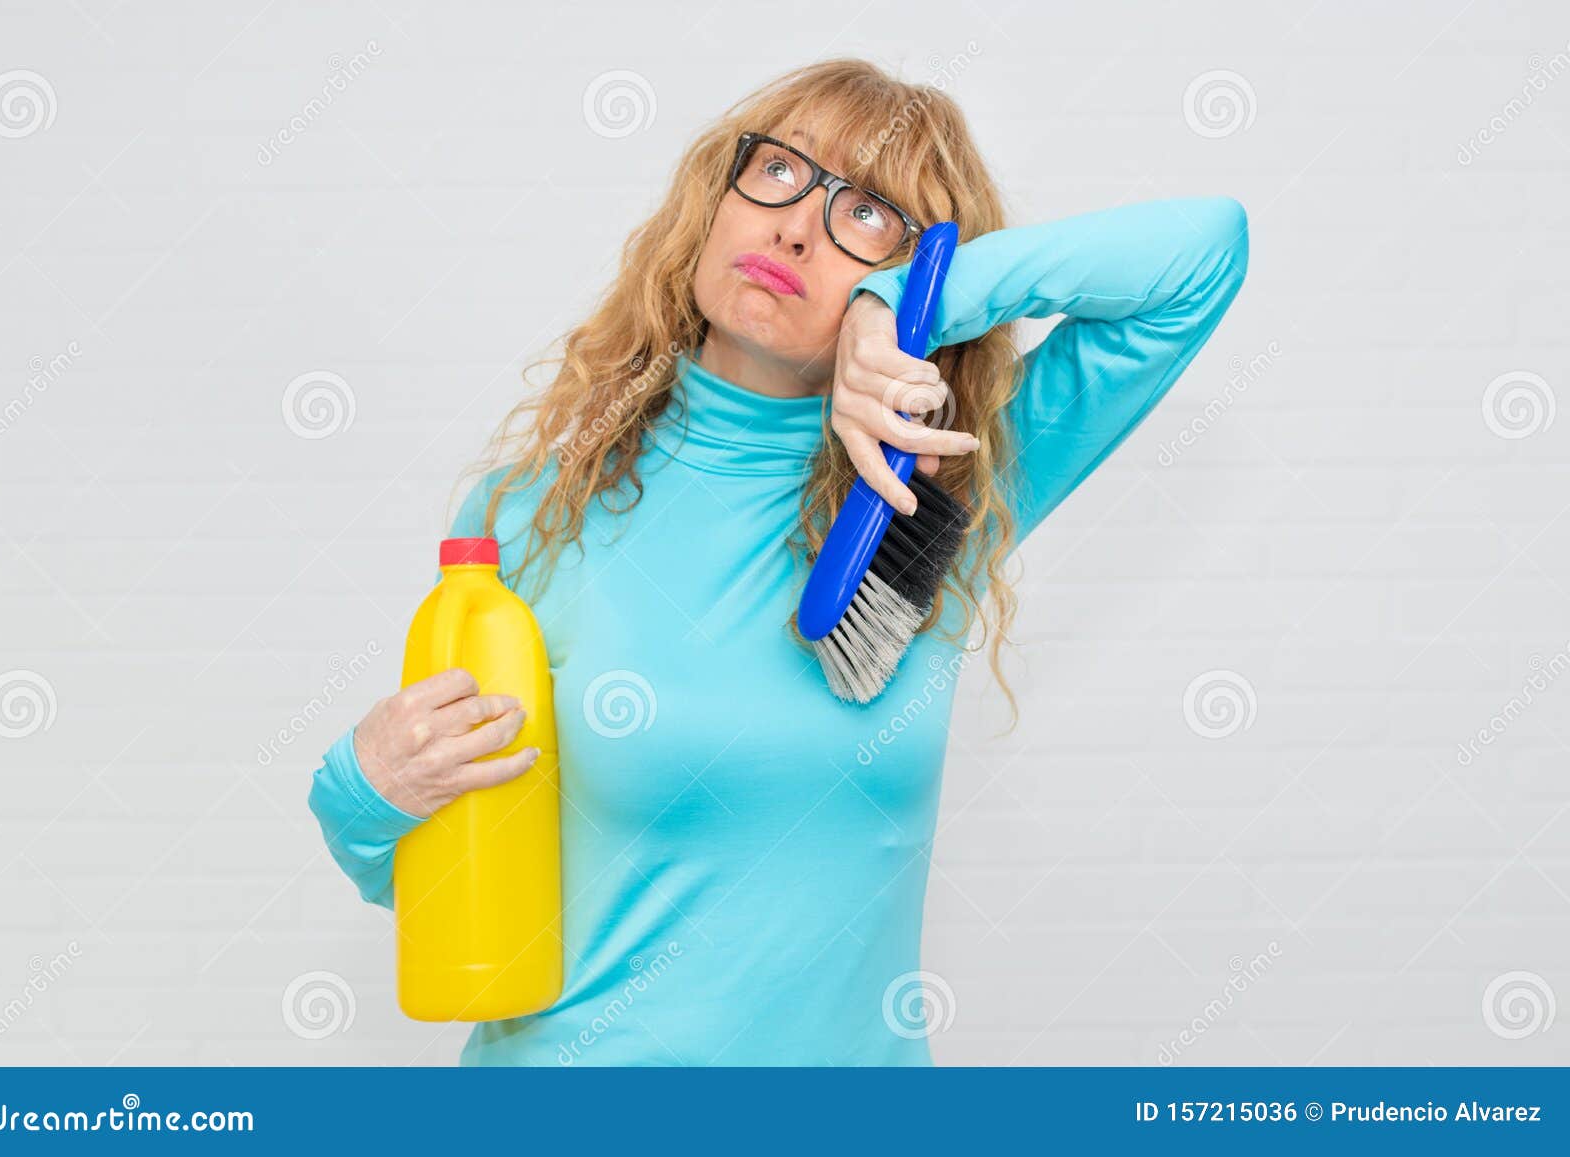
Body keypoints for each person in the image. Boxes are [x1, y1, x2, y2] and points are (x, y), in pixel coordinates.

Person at [308, 57, 1249, 1065]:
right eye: (781, 172)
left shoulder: (935, 485)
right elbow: (458, 869)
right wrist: (360, 794)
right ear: (716, 197)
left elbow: (1201, 255)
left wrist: (899, 304)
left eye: (869, 216)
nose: (796, 226)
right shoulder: (535, 506)